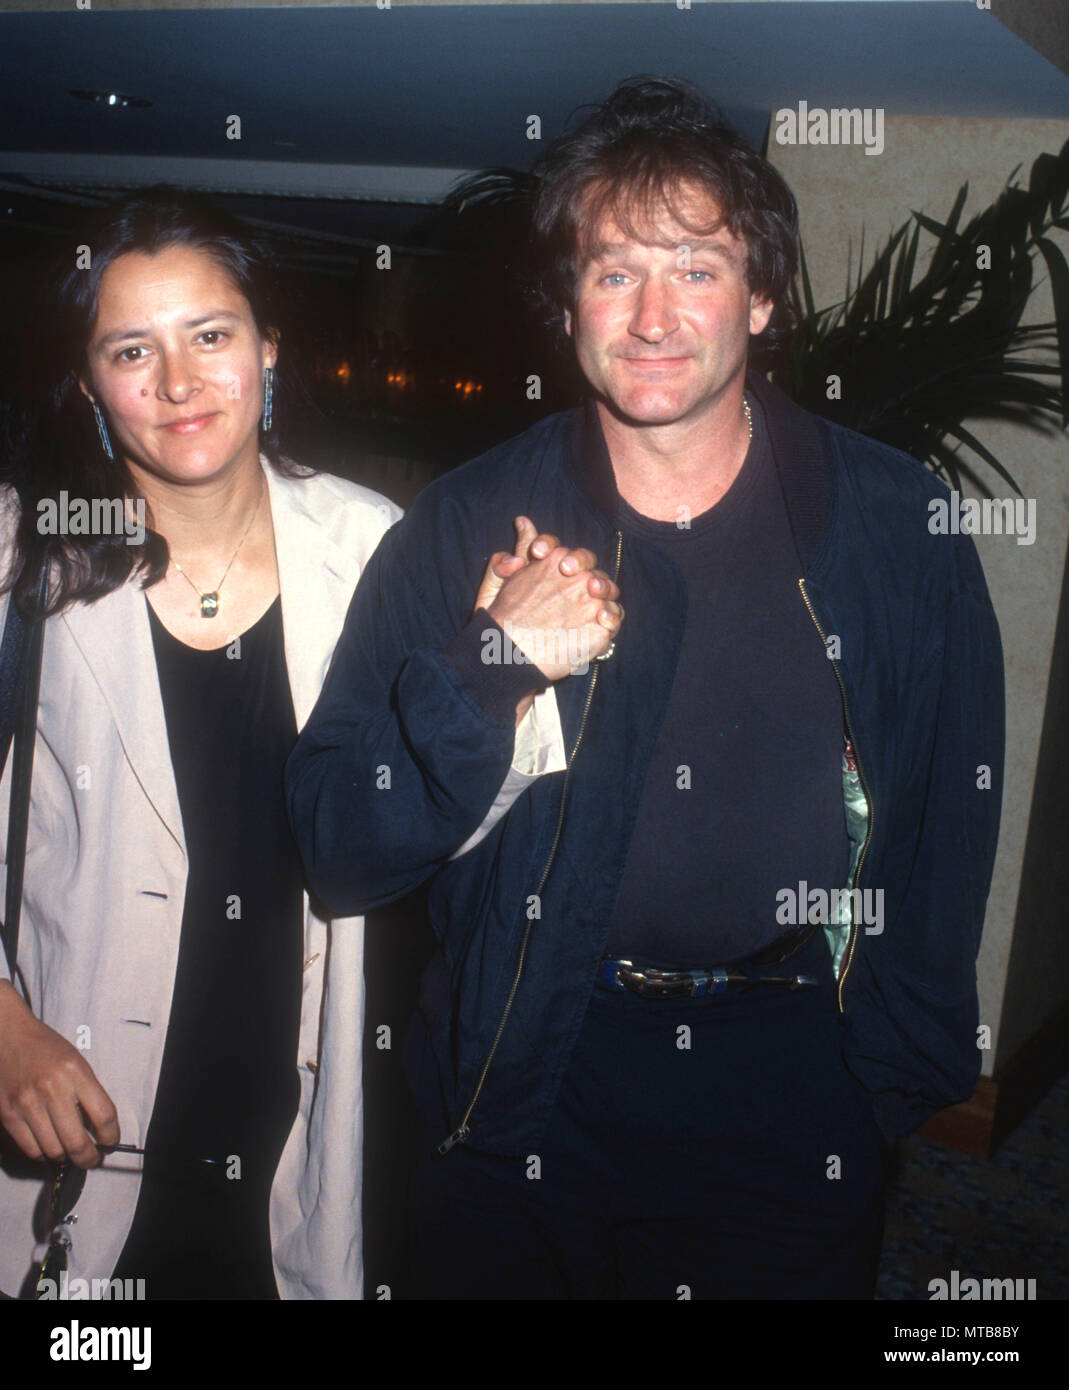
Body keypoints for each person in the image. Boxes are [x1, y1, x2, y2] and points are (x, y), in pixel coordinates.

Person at [285, 78, 1005, 1299]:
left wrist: (886, 1077)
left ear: (763, 297)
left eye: (696, 266)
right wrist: (496, 659)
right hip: (530, 1075)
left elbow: (948, 812)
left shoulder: (898, 526)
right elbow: (342, 846)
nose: (653, 312)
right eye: (613, 270)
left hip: (792, 1074)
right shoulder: (462, 525)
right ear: (568, 300)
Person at [0, 188, 408, 1300]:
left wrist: (516, 669)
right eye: (133, 350)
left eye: (211, 335)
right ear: (88, 385)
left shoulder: (377, 548)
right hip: (76, 1118)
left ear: (268, 350)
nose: (179, 384)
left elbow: (451, 810)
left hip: (296, 1128)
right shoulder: (19, 560)